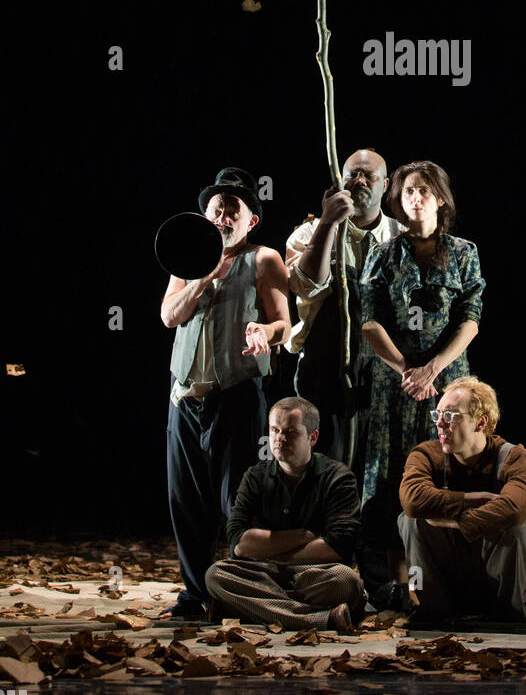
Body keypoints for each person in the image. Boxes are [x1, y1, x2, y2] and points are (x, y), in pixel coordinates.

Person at [160, 166, 291, 619]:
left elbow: (285, 325)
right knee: (186, 502)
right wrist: (202, 275)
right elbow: (169, 317)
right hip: (185, 400)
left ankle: (239, 595)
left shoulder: (264, 258)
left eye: (234, 208)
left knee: (237, 502)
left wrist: (264, 331)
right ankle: (195, 596)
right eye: (218, 206)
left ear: (250, 220)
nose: (223, 214)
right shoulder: (185, 256)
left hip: (235, 396)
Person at [360, 160, 485, 602]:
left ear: (440, 199)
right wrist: (406, 371)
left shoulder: (464, 252)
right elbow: (370, 321)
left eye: (424, 191)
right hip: (394, 385)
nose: (415, 198)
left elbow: (470, 319)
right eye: (408, 191)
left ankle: (450, 582)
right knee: (395, 478)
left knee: (448, 472)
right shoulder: (383, 253)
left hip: (448, 380)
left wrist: (433, 369)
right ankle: (401, 589)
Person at [398, 377, 526, 624]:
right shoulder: (426, 455)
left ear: (480, 422)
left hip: (503, 586)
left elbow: (515, 508)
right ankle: (432, 609)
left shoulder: (515, 457)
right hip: (451, 586)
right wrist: (472, 498)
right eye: (437, 414)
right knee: (410, 520)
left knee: (518, 527)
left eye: (450, 416)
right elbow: (412, 500)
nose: (440, 424)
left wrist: (457, 522)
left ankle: (510, 614)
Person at [284, 148, 402, 468]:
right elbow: (306, 284)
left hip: (383, 378)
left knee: (380, 469)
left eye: (369, 176)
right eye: (352, 174)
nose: (360, 181)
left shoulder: (402, 237)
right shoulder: (310, 232)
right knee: (323, 468)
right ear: (339, 179)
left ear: (386, 185)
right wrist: (328, 223)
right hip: (322, 374)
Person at [205, 397, 365, 630]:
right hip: (264, 574)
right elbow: (239, 541)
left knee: (347, 581)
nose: (280, 438)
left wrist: (270, 552)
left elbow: (339, 545)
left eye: (290, 432)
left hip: (313, 575)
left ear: (313, 437)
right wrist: (303, 536)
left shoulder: (337, 477)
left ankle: (249, 607)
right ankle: (319, 618)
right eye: (275, 430)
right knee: (216, 575)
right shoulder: (255, 477)